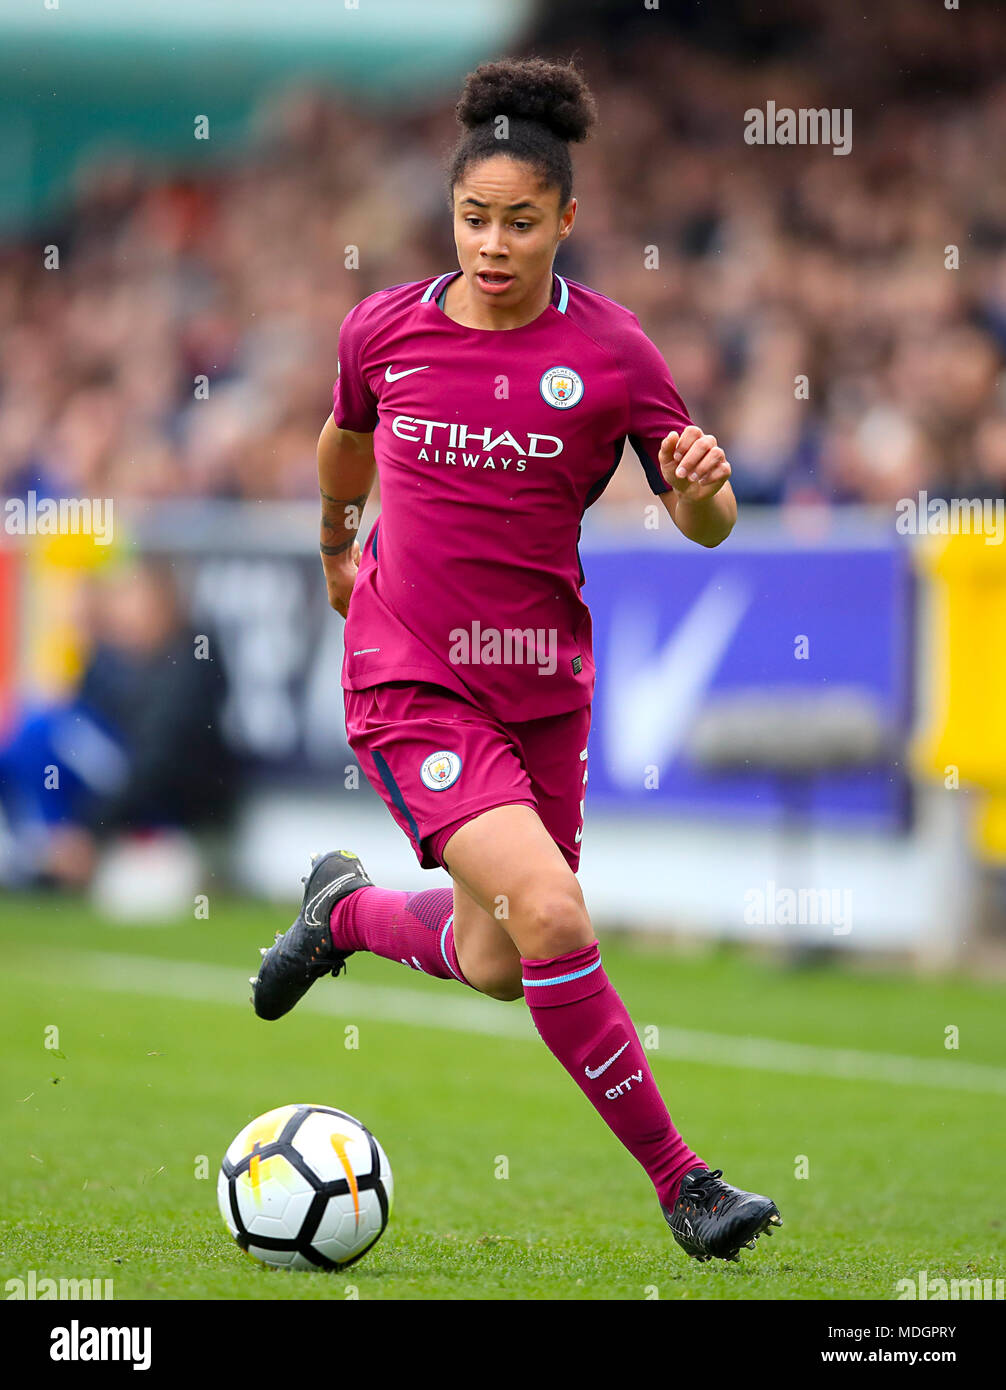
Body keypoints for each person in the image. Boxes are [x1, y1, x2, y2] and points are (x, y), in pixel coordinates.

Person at [251, 57, 782, 1264]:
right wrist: (336, 552)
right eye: (473, 218)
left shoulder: (611, 350)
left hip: (542, 686)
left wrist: (706, 496)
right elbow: (342, 447)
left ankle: (345, 916)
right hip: (409, 672)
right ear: (451, 215)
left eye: (521, 221)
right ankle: (685, 1182)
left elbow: (707, 519)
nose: (493, 244)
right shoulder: (383, 329)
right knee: (549, 910)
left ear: (568, 221)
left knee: (500, 957)